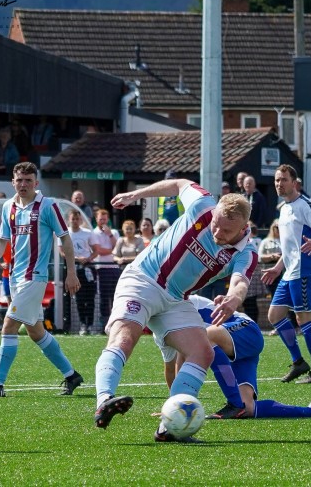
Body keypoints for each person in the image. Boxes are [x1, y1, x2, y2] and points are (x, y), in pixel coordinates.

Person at [93, 178, 258, 443]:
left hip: (176, 299)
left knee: (202, 351)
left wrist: (233, 300)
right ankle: (104, 401)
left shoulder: (246, 252)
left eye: (226, 231)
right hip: (143, 279)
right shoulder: (203, 204)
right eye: (215, 225)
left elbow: (240, 282)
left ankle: (169, 427)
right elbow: (179, 184)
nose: (216, 234)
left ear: (243, 228)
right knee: (125, 337)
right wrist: (137, 193)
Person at [0, 162, 83, 398]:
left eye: (28, 180)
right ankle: (71, 375)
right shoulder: (9, 207)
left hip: (34, 278)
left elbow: (65, 239)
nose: (23, 184)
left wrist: (71, 272)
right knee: (36, 333)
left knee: (9, 326)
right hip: (15, 278)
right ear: (12, 182)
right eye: (19, 180)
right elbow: (2, 239)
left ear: (36, 182)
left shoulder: (48, 206)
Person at [163, 295, 311, 420]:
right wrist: (176, 405)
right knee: (248, 409)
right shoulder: (161, 331)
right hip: (233, 349)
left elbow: (187, 353)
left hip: (246, 331)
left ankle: (234, 404)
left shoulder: (178, 303)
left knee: (205, 337)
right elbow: (174, 366)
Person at [262, 164, 311, 385]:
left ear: (294, 182)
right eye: (277, 180)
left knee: (304, 318)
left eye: (283, 180)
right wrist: (277, 268)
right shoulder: (283, 208)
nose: (279, 184)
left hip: (305, 271)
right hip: (289, 272)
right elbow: (289, 248)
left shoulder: (305, 205)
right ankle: (299, 362)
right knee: (275, 316)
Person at [59, 209, 97, 333]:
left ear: (80, 220)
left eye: (77, 219)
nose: (75, 221)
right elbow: (62, 252)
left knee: (90, 298)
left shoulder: (87, 233)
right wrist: (76, 258)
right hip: (73, 269)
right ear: (69, 220)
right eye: (73, 219)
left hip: (87, 269)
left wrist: (88, 259)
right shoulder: (65, 233)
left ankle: (90, 325)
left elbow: (96, 250)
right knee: (79, 298)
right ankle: (82, 324)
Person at [90, 208, 121, 330]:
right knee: (104, 297)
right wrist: (112, 250)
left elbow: (117, 246)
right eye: (100, 219)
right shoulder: (93, 233)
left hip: (114, 267)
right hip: (102, 268)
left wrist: (110, 235)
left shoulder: (114, 232)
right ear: (96, 219)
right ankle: (105, 322)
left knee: (115, 295)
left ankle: (116, 320)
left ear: (107, 219)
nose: (102, 221)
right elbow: (99, 251)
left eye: (104, 219)